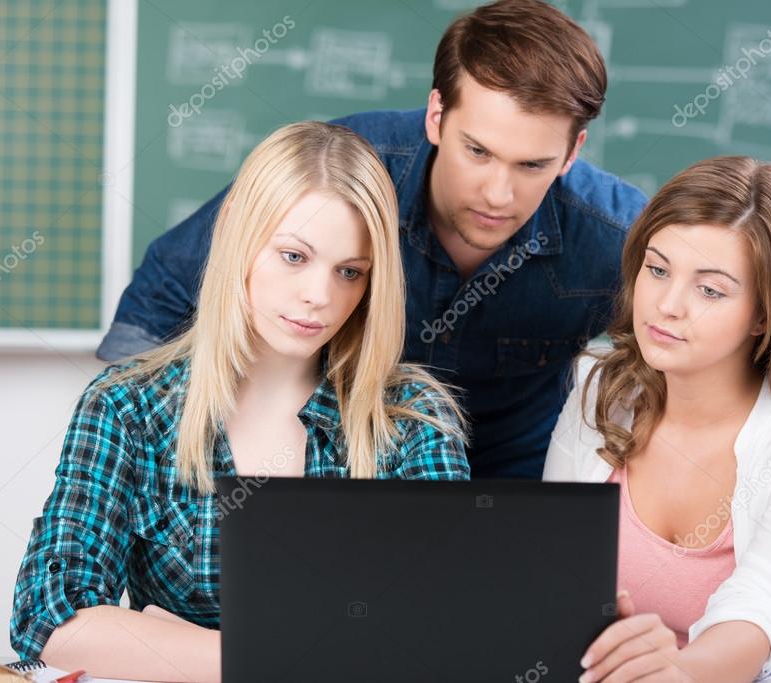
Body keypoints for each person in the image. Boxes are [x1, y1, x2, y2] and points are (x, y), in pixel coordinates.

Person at [95, 0, 648, 479]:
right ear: (436, 115)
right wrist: (150, 456)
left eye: (532, 165)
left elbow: (710, 344)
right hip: (346, 476)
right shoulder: (347, 175)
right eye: (477, 151)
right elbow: (166, 287)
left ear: (573, 152)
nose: (498, 194)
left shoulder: (620, 237)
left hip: (513, 495)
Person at [9, 122, 469, 683]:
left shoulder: (413, 418)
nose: (320, 296)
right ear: (240, 242)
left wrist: (174, 643)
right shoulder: (127, 407)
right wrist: (283, 657)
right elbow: (52, 617)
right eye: (294, 257)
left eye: (350, 272)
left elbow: (445, 630)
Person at [544, 157, 771, 681]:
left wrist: (678, 673)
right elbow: (557, 577)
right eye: (658, 269)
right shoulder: (601, 398)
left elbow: (757, 616)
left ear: (764, 313)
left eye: (709, 290)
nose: (667, 305)